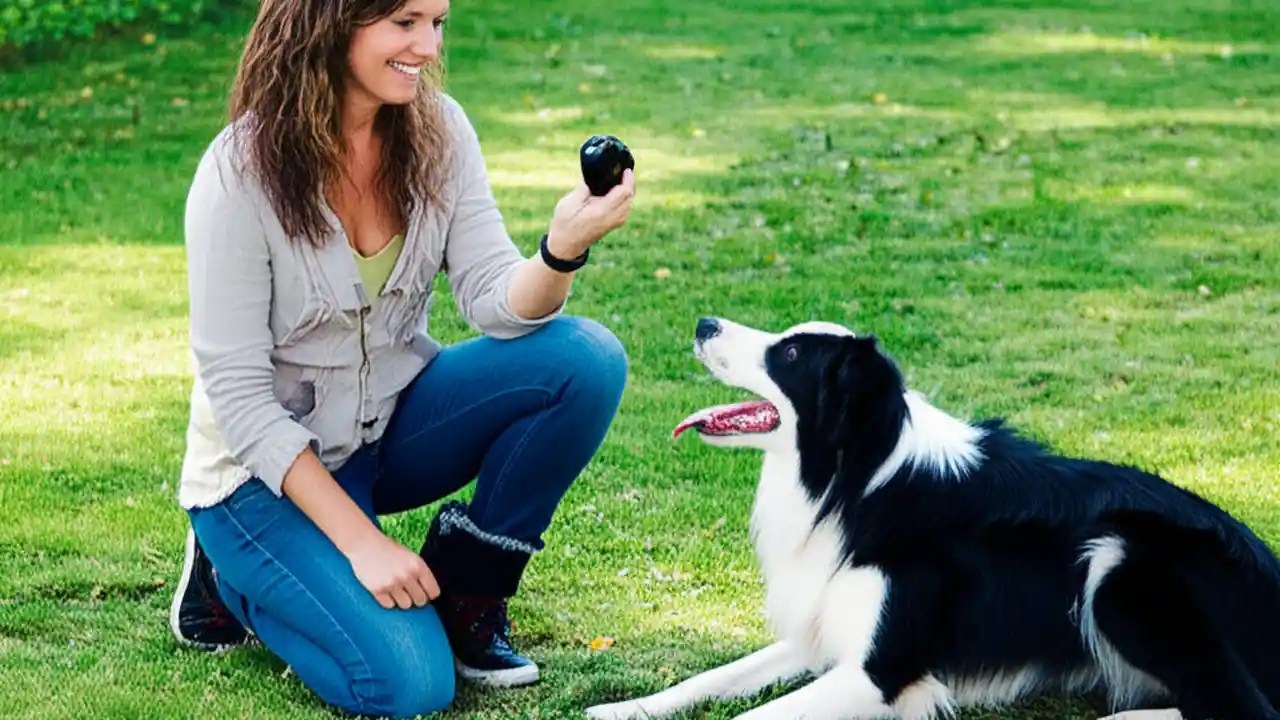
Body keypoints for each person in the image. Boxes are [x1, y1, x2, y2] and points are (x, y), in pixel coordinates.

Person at [166, 0, 634, 715]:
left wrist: (561, 249)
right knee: (411, 684)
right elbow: (241, 401)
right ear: (331, 20)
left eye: (437, 22)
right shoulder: (239, 173)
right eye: (405, 22)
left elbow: (492, 296)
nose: (428, 46)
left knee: (585, 362)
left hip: (381, 430)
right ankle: (230, 584)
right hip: (260, 476)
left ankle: (469, 592)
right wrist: (364, 546)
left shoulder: (439, 131)